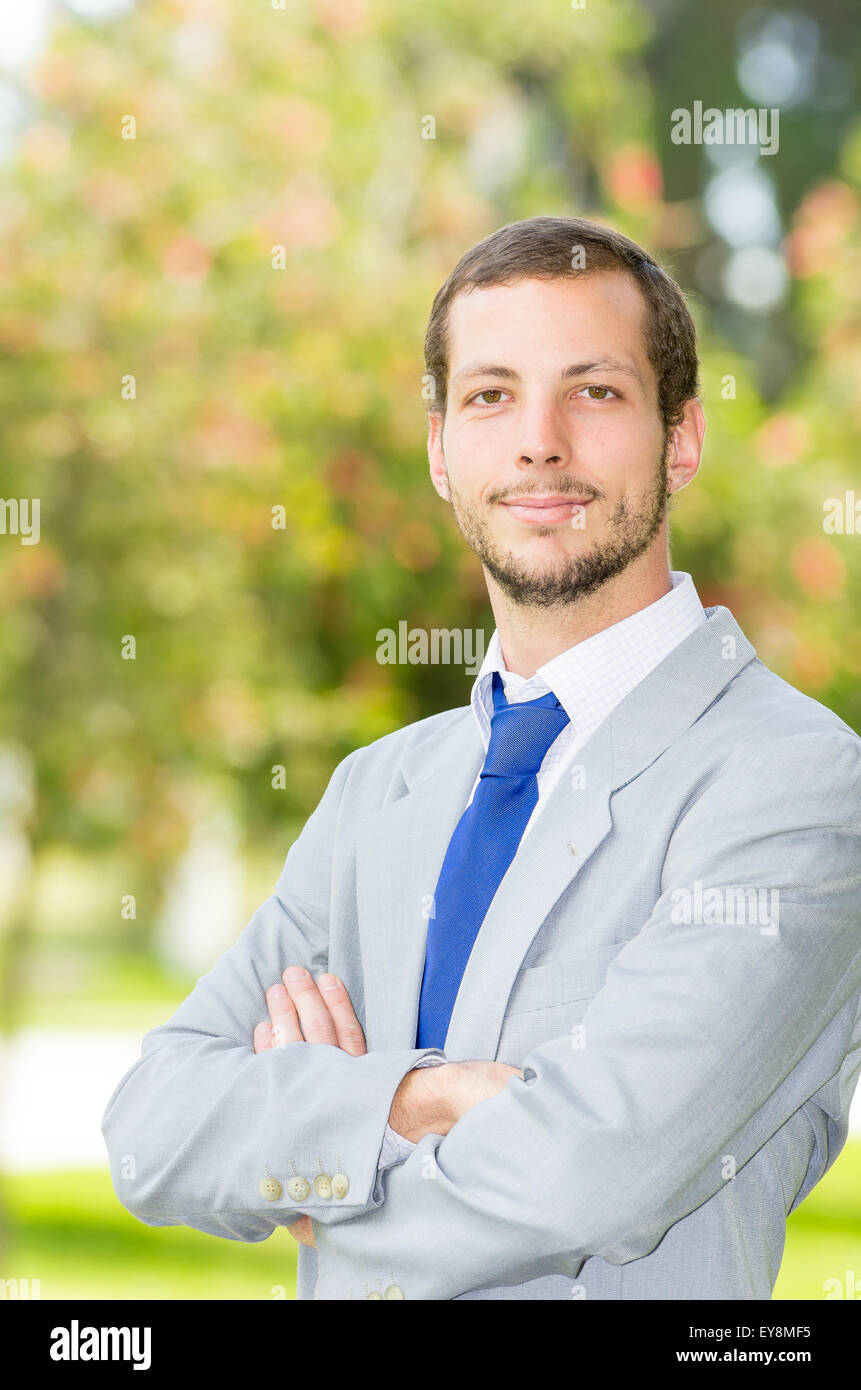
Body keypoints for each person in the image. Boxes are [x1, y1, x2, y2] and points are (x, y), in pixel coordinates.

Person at [102, 216, 861, 1300]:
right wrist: (417, 1100)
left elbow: (589, 1176)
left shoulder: (792, 781)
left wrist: (316, 1156)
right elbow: (150, 1132)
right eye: (492, 395)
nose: (538, 441)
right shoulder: (378, 790)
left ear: (681, 438)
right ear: (440, 452)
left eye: (594, 391)